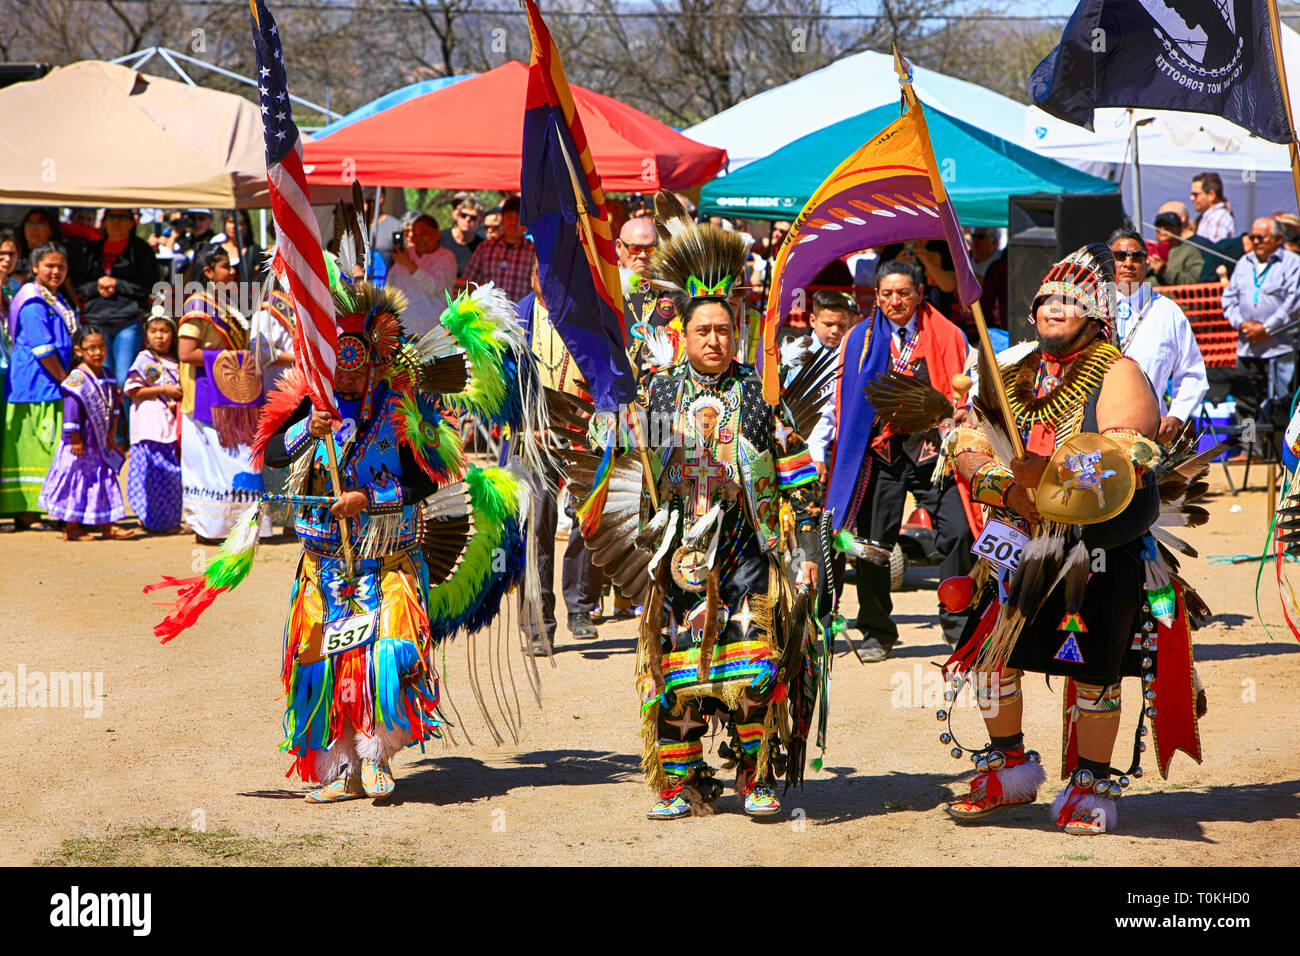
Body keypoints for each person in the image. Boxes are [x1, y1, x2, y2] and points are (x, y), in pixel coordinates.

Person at [149, 258, 548, 803]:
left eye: (360, 361)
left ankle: (377, 755)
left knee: (389, 653)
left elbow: (427, 477)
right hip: (324, 562)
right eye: (341, 360)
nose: (352, 372)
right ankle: (340, 767)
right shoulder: (308, 405)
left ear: (378, 357)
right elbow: (268, 458)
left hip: (387, 558)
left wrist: (371, 498)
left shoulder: (404, 408)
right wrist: (306, 432)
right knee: (320, 657)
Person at [944, 243, 1203, 835]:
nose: (1055, 307)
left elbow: (1123, 453)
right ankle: (1007, 769)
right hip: (1016, 541)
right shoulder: (1012, 369)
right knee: (990, 659)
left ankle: (1089, 785)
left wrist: (1052, 476)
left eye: (1070, 299)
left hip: (1096, 546)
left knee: (1093, 670)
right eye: (1045, 300)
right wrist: (1004, 488)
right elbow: (969, 438)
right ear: (1031, 313)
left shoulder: (1119, 371)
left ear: (1096, 316)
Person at [600, 195, 825, 819]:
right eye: (703, 330)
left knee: (754, 665)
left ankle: (754, 778)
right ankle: (680, 783)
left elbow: (797, 475)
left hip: (748, 553)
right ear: (685, 334)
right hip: (679, 557)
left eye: (725, 329)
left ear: (737, 331)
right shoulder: (659, 391)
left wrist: (807, 554)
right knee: (675, 673)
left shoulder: (758, 392)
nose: (715, 340)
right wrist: (610, 420)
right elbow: (615, 452)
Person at [819, 260, 976, 660]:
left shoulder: (949, 334)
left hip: (934, 454)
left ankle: (957, 622)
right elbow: (837, 399)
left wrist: (963, 410)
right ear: (876, 296)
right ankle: (876, 630)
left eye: (904, 293)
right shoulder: (858, 339)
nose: (895, 301)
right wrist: (821, 449)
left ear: (920, 294)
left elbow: (969, 385)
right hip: (881, 454)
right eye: (886, 294)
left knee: (959, 531)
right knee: (873, 543)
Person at [516, 257, 604, 648]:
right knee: (537, 526)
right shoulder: (515, 319)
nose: (549, 280)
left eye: (557, 273)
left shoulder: (588, 317)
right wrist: (521, 424)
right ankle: (537, 622)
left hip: (584, 435)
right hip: (533, 438)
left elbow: (609, 372)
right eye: (542, 273)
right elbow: (496, 383)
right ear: (532, 275)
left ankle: (581, 607)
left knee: (588, 520)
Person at [177, 245, 268, 543]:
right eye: (225, 267)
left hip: (232, 394)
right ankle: (210, 528)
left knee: (235, 462)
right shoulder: (197, 305)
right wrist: (232, 359)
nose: (231, 272)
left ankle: (236, 525)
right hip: (208, 396)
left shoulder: (224, 303)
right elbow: (186, 352)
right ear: (207, 272)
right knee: (213, 465)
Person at [1, 241, 78, 526]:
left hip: (49, 384)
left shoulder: (56, 298)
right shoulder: (33, 301)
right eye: (49, 266)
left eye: (61, 266)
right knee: (35, 447)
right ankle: (28, 512)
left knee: (49, 446)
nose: (56, 271)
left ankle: (45, 508)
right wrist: (64, 378)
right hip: (35, 385)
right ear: (35, 267)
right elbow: (42, 347)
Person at [1106, 228, 1208, 442]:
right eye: (1120, 256)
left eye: (1137, 256)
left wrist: (1176, 417)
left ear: (1146, 263)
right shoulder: (1091, 308)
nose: (1128, 263)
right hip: (1096, 430)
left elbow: (1192, 372)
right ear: (1108, 260)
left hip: (1150, 431)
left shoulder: (1167, 312)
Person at [38, 325, 135, 540]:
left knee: (104, 481)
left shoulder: (108, 376)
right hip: (81, 443)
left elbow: (114, 407)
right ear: (79, 351)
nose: (98, 352)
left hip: (100, 443)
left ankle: (108, 525)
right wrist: (75, 439)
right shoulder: (77, 380)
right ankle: (72, 528)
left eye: (101, 347)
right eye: (91, 348)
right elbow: (71, 413)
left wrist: (112, 434)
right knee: (77, 483)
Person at [1222, 216, 1300, 458]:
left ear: (1278, 239)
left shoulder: (1292, 263)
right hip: (1247, 347)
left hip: (1280, 347)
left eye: (1261, 237)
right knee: (1246, 401)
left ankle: (1279, 450)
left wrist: (1266, 328)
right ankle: (1249, 450)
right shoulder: (1244, 262)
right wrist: (1242, 324)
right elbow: (1230, 298)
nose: (1255, 242)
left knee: (1282, 401)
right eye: (1252, 237)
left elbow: (1293, 300)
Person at [70, 208, 159, 393]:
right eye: (111, 217)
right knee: (101, 379)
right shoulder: (91, 250)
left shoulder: (141, 250)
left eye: (121, 217)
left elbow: (150, 285)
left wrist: (118, 284)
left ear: (131, 222)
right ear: (104, 221)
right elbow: (78, 284)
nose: (116, 222)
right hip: (97, 321)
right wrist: (97, 285)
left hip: (127, 321)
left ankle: (128, 422)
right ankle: (108, 421)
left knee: (124, 379)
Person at [787, 289, 860, 476]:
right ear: (812, 320)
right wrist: (816, 453)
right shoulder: (798, 353)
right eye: (828, 324)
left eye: (841, 325)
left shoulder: (852, 351)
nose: (835, 330)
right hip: (806, 444)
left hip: (841, 443)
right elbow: (814, 406)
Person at [124, 314, 183, 533]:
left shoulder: (177, 361)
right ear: (146, 335)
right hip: (149, 424)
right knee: (150, 474)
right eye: (154, 331)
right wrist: (164, 390)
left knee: (170, 475)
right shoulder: (144, 358)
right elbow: (133, 389)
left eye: (164, 331)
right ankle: (148, 518)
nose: (159, 336)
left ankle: (166, 521)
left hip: (169, 424)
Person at [386, 212, 458, 337]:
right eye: (415, 234)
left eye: (423, 234)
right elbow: (391, 284)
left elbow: (433, 287)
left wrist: (409, 264)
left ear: (437, 234)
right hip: (403, 328)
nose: (418, 239)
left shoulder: (446, 257)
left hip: (433, 330)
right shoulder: (406, 254)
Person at [463, 197, 535, 302]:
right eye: (509, 217)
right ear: (502, 219)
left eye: (518, 218)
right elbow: (469, 282)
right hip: (487, 316)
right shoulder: (485, 248)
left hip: (521, 315)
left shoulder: (534, 252)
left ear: (526, 224)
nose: (513, 222)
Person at [1149, 211, 1204, 286]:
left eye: (1168, 226)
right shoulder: (1149, 251)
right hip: (1146, 296)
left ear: (1180, 229)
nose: (1162, 230)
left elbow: (1195, 281)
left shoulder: (1190, 251)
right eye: (1159, 226)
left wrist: (1165, 271)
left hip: (1173, 297)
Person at [441, 196, 484, 277]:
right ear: (457, 216)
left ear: (480, 221)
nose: (467, 219)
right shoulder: (440, 239)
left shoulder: (481, 247)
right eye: (463, 215)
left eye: (473, 218)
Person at [15, 208, 61, 280]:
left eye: (40, 223)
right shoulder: (14, 253)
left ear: (51, 231)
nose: (34, 228)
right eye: (30, 223)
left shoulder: (58, 256)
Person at [219, 210, 265, 283]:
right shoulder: (216, 249)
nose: (234, 226)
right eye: (231, 222)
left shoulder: (256, 252)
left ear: (246, 226)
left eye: (239, 223)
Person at [1191, 172, 1235, 243]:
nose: (1192, 198)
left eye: (1196, 195)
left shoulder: (1218, 219)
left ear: (1212, 195)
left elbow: (1213, 251)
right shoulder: (1209, 217)